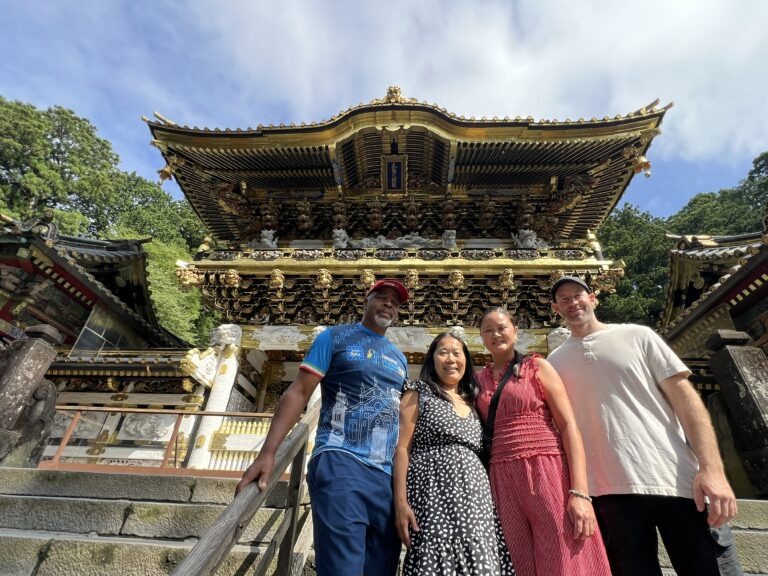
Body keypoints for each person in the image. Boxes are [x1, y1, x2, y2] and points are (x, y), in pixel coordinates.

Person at [547, 276, 743, 576]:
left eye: (578, 295)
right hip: (608, 491)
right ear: (555, 308)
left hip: (674, 479)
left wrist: (712, 470)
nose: (573, 303)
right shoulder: (554, 363)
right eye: (564, 299)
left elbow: (686, 401)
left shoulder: (639, 336)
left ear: (594, 298)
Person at [236, 279, 410, 576]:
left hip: (385, 476)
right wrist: (268, 453)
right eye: (381, 297)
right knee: (342, 569)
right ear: (366, 301)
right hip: (342, 460)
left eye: (395, 302)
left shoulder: (400, 359)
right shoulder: (334, 338)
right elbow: (299, 392)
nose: (389, 304)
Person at [476, 307, 611, 576]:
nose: (495, 334)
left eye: (501, 327)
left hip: (546, 465)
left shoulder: (538, 367)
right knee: (516, 555)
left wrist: (580, 492)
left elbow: (568, 426)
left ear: (515, 331)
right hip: (501, 473)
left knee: (562, 550)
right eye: (487, 330)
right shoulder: (478, 379)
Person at [393, 331, 515, 576]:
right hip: (431, 494)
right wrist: (400, 503)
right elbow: (402, 448)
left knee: (481, 559)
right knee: (433, 558)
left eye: (457, 353)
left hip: (476, 500)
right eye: (443, 352)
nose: (451, 359)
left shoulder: (472, 402)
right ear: (432, 359)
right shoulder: (419, 392)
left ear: (466, 362)